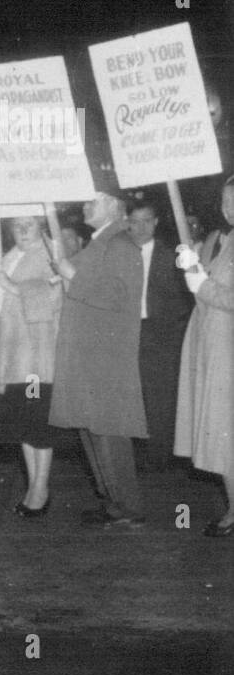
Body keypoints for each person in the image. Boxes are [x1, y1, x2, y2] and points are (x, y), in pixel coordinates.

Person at [49, 189, 148, 528]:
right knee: (93, 428)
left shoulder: (121, 244)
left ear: (114, 207)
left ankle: (128, 506)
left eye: (94, 200)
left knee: (108, 429)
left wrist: (72, 275)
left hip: (105, 354)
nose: (85, 205)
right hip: (87, 352)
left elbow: (119, 295)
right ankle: (113, 501)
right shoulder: (98, 243)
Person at [0, 215, 63, 516]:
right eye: (16, 225)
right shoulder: (6, 257)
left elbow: (53, 298)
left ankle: (41, 487)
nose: (21, 230)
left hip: (35, 358)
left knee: (37, 421)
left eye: (28, 224)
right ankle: (33, 484)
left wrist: (11, 286)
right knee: (23, 424)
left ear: (41, 226)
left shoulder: (51, 254)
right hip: (12, 355)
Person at [175, 175, 234, 536]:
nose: (229, 209)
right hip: (215, 348)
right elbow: (208, 293)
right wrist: (194, 269)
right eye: (226, 202)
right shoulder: (226, 241)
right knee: (223, 434)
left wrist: (203, 284)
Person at [127, 201, 193, 472]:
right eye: (135, 221)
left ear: (155, 223)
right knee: (131, 398)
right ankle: (133, 455)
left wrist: (168, 332)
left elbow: (185, 298)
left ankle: (158, 460)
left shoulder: (172, 254)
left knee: (159, 400)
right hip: (125, 333)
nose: (140, 227)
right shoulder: (117, 253)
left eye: (147, 221)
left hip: (158, 335)